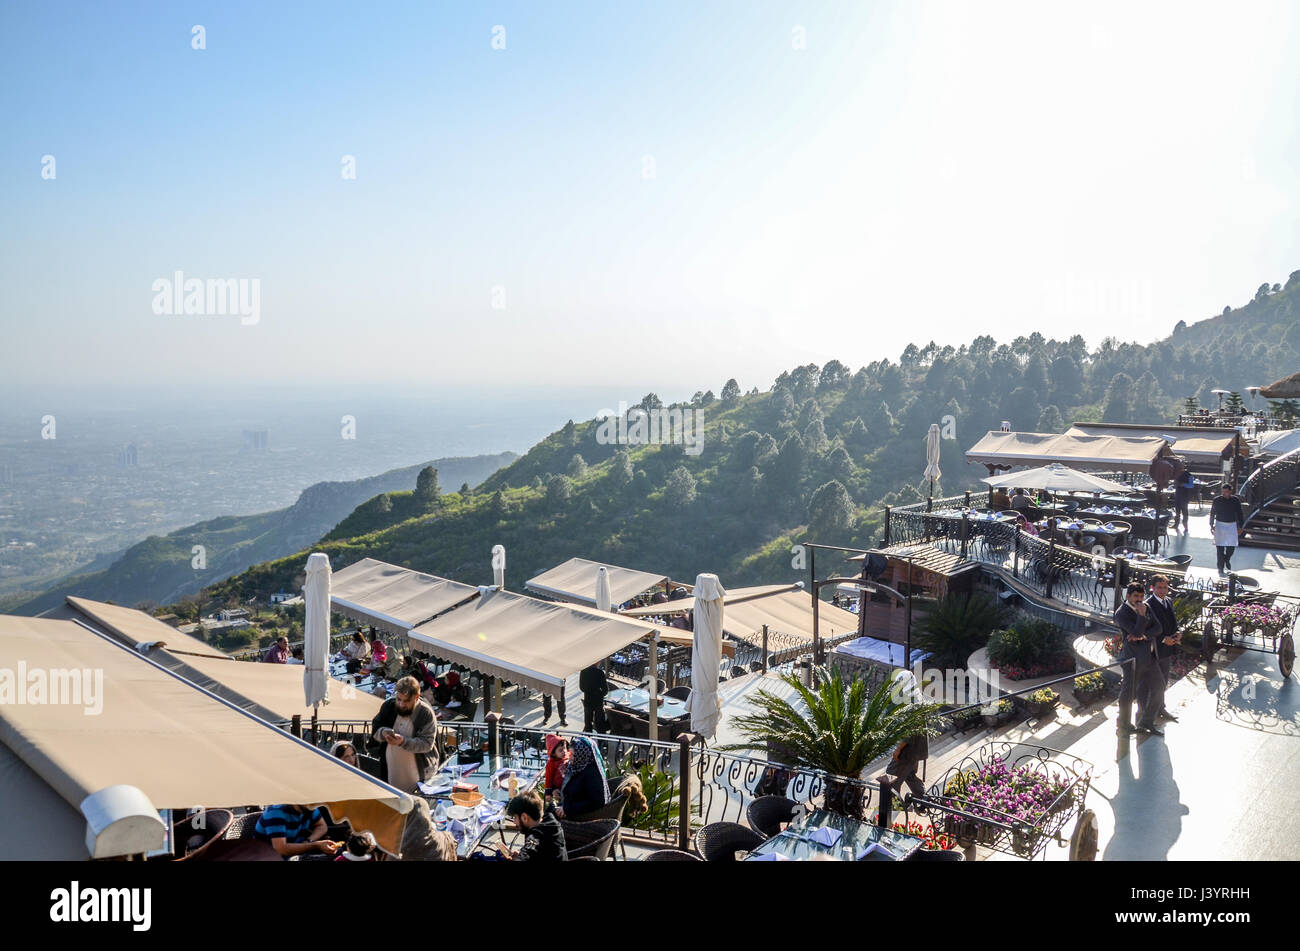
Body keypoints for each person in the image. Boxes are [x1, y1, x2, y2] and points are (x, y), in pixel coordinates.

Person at [370, 676, 438, 792]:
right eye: (399, 699)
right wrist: (383, 733)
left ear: (416, 697)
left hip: (417, 773)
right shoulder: (389, 706)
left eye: (406, 701)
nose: (401, 704)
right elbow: (376, 727)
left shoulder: (425, 714)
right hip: (390, 770)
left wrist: (403, 741)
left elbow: (427, 744)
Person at [1112, 582, 1163, 736]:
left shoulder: (1146, 606)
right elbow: (1134, 632)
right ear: (1128, 596)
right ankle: (1123, 722)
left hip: (1150, 658)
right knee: (1128, 692)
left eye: (1141, 596)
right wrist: (1141, 617)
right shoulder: (1121, 613)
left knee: (1160, 688)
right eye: (1136, 596)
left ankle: (1146, 721)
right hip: (1133, 659)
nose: (1139, 599)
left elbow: (1158, 628)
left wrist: (1144, 635)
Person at [1145, 575, 1181, 723]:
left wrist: (1179, 632)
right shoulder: (1148, 604)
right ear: (1152, 588)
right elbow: (1146, 629)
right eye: (1159, 587)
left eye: (1165, 587)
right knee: (1154, 684)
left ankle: (1160, 708)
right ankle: (1148, 714)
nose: (1163, 590)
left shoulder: (1169, 601)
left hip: (1167, 649)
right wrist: (1161, 639)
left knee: (1164, 680)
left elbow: (1173, 622)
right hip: (1154, 651)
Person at [254, 804, 344, 860]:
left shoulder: (309, 808)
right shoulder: (276, 812)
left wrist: (309, 840)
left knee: (340, 853)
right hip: (270, 856)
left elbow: (322, 826)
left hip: (296, 854)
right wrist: (315, 845)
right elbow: (281, 849)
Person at [497, 793, 566, 862]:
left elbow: (530, 847)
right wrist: (520, 855)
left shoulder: (534, 838)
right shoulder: (552, 822)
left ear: (524, 817)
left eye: (515, 817)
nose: (514, 822)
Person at [555, 736, 609, 818]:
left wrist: (567, 809)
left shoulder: (592, 774)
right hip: (567, 808)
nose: (570, 758)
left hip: (579, 816)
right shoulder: (579, 766)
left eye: (573, 755)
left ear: (582, 755)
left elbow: (596, 802)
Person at [1209, 483, 1245, 575]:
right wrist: (1211, 525)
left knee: (1231, 547)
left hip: (1231, 525)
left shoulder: (1235, 500)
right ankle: (1220, 568)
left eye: (1226, 492)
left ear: (1230, 492)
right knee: (1220, 548)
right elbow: (1212, 512)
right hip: (1220, 525)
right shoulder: (1217, 500)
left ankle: (1227, 559)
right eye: (1223, 491)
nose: (1224, 493)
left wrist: (1241, 526)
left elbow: (1240, 513)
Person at [579, 663, 609, 734]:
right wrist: (599, 693)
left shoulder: (583, 671)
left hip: (588, 700)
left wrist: (590, 691)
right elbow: (605, 691)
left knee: (588, 722)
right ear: (597, 663)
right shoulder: (600, 673)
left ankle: (588, 737)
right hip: (598, 701)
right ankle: (600, 739)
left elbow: (582, 688)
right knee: (599, 723)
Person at [543, 733, 570, 801]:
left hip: (569, 787)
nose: (564, 751)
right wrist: (548, 793)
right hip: (558, 789)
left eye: (565, 748)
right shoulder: (551, 763)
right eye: (560, 750)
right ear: (553, 753)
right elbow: (549, 778)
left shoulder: (569, 756)